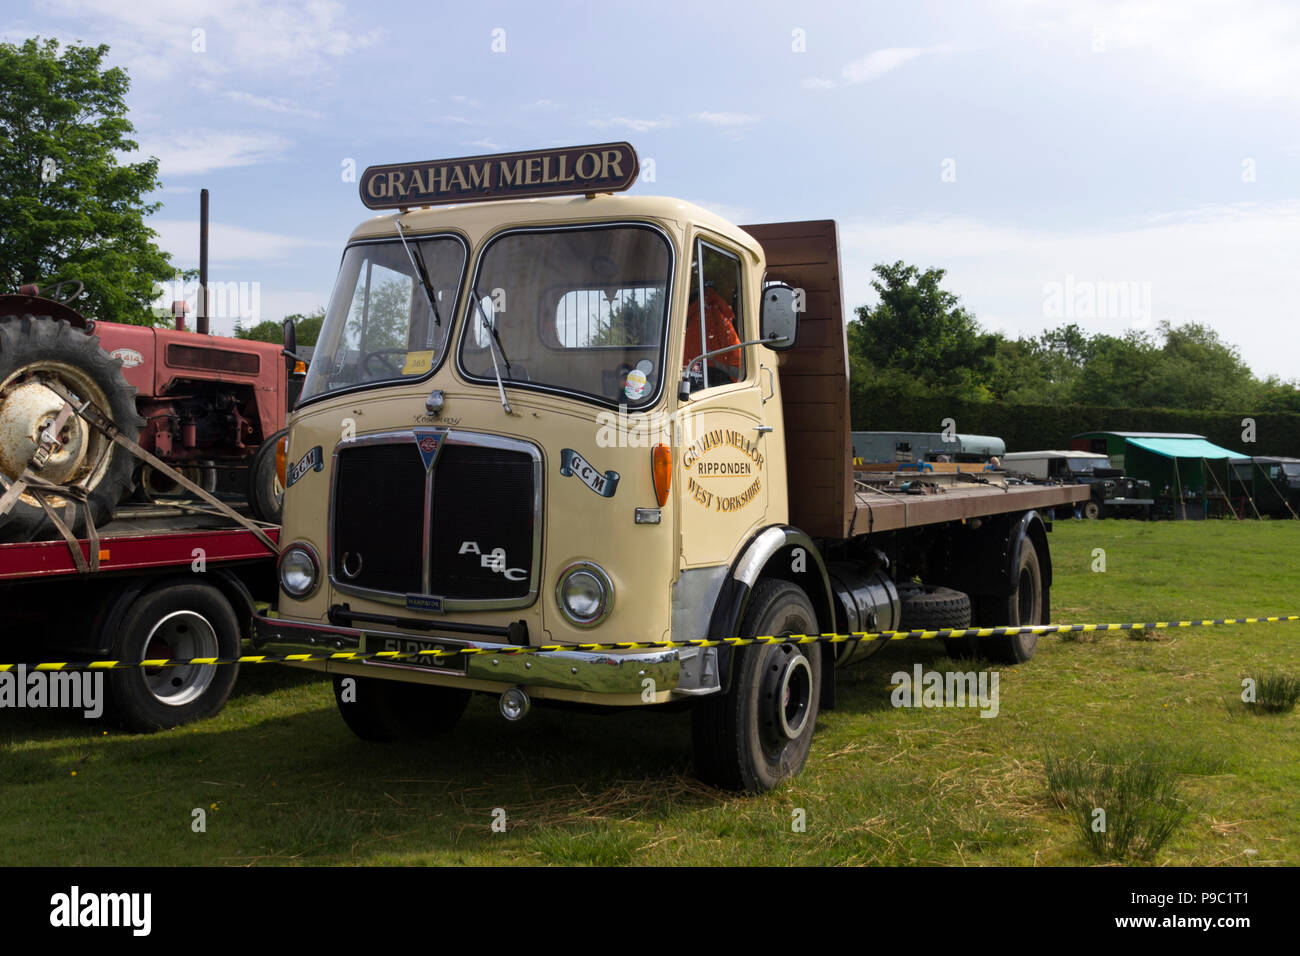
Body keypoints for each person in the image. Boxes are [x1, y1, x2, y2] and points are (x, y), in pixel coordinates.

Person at [683, 286, 742, 388]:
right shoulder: (722, 319)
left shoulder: (684, 322)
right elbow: (740, 370)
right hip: (720, 381)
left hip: (693, 376)